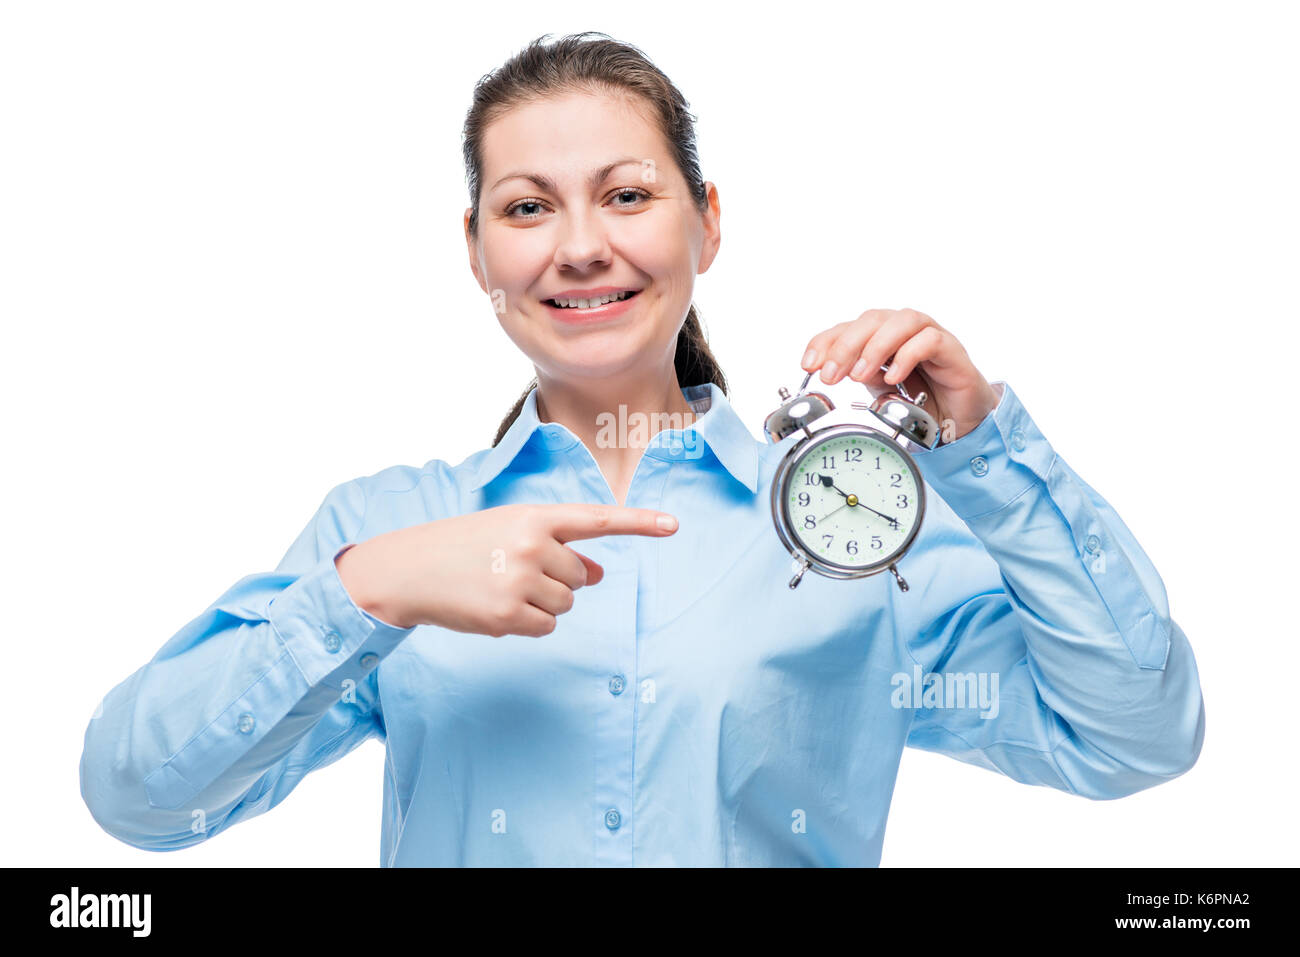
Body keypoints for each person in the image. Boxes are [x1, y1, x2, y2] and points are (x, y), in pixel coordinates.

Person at [80, 31, 1205, 867]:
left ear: (706, 222)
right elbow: (140, 797)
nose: (579, 248)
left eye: (625, 195)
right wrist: (368, 591)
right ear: (473, 252)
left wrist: (985, 454)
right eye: (525, 209)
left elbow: (1134, 740)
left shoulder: (858, 529)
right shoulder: (388, 529)